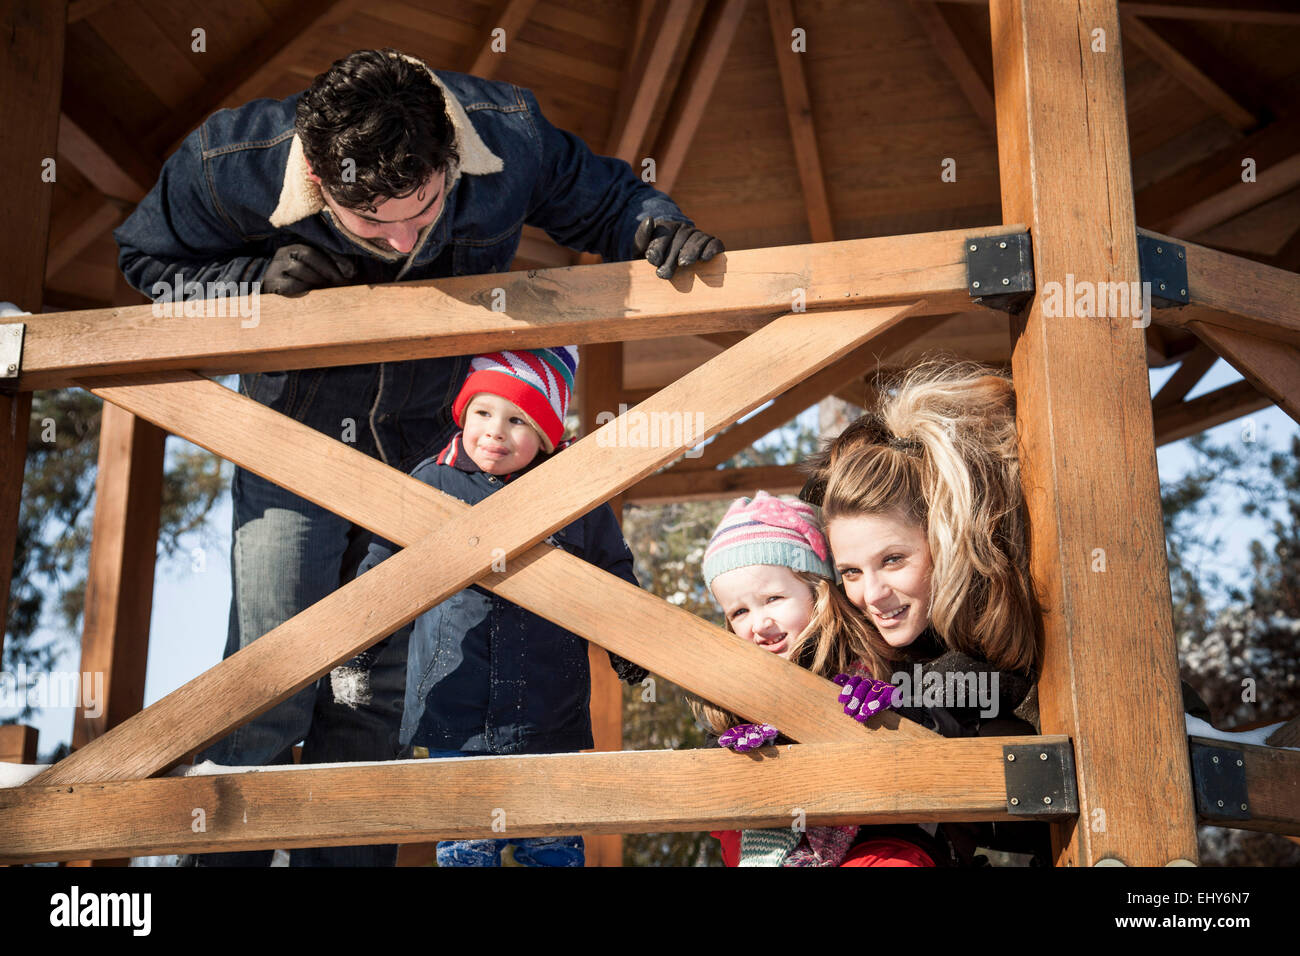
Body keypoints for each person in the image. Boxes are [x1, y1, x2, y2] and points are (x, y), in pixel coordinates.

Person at [113, 48, 721, 866]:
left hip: (430, 452)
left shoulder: (507, 135)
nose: (403, 238)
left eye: (424, 208)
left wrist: (655, 226)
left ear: (448, 158)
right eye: (372, 225)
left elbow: (610, 198)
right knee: (269, 681)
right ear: (320, 183)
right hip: (293, 444)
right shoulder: (231, 161)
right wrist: (251, 283)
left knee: (377, 699)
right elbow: (146, 264)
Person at [354, 347, 647, 867]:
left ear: (547, 433)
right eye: (482, 413)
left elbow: (612, 570)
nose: (494, 431)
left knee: (552, 843)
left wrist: (629, 645)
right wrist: (358, 649)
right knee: (467, 846)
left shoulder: (574, 493)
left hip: (547, 708)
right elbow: (385, 571)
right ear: (463, 414)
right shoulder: (431, 482)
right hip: (454, 704)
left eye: (518, 420)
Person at [800, 360, 1052, 866]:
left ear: (944, 543)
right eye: (851, 571)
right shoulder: (866, 647)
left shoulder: (1014, 612)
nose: (872, 594)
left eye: (892, 560)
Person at [694, 492, 917, 867]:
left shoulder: (868, 655)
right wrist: (732, 752)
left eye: (774, 598)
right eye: (739, 611)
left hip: (876, 832)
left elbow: (928, 720)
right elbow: (713, 780)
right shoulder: (735, 688)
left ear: (818, 590)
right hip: (765, 838)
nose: (760, 623)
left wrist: (892, 706)